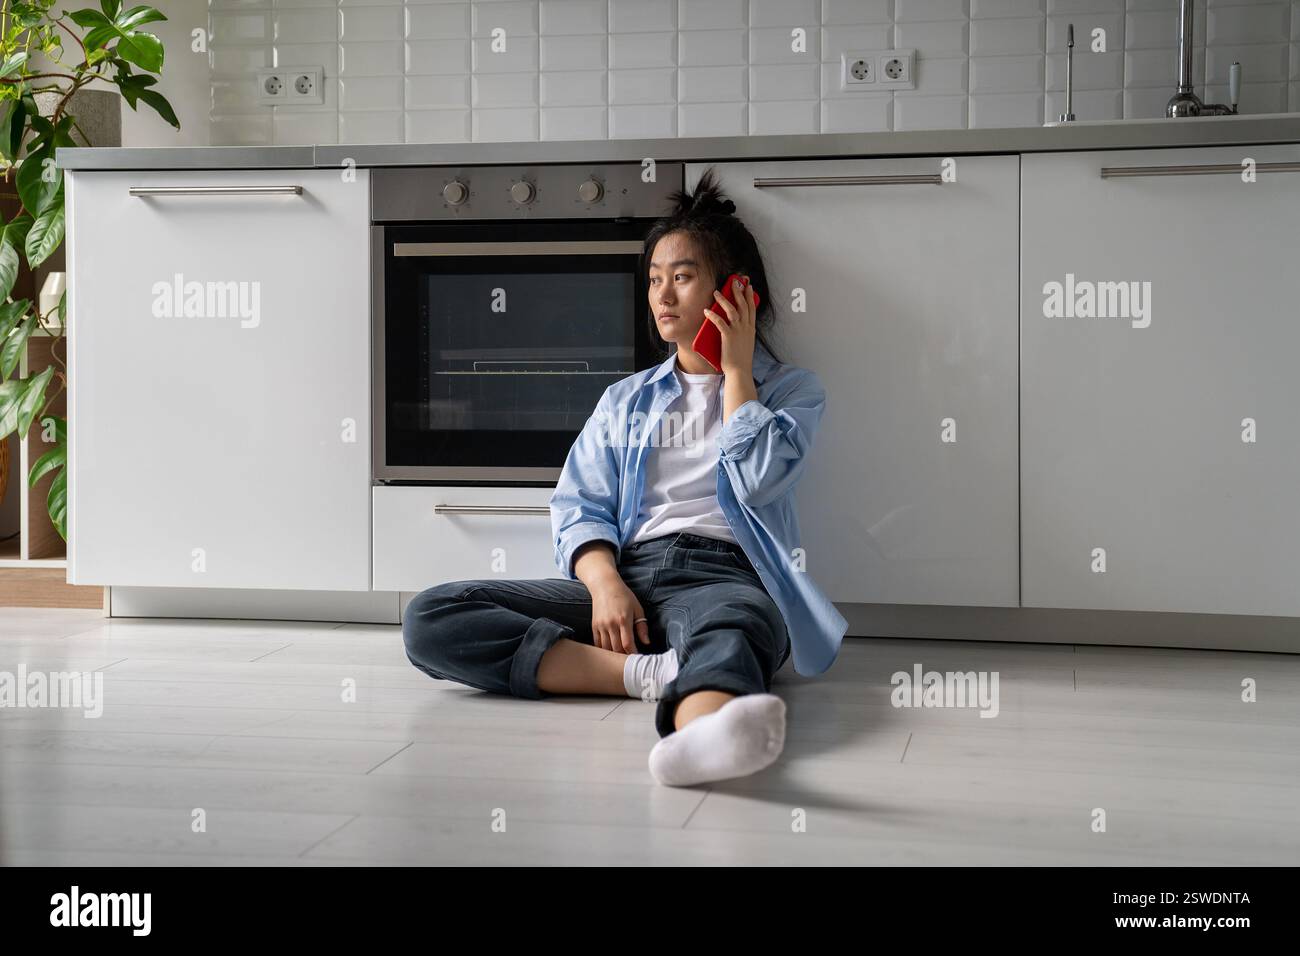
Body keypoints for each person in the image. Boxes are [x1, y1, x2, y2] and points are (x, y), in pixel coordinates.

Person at [402, 167, 847, 787]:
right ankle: (651, 676)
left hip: (726, 578)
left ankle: (703, 735)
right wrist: (607, 584)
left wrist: (738, 373)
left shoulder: (792, 392)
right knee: (435, 615)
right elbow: (579, 503)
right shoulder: (626, 400)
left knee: (737, 628)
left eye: (683, 278)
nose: (661, 296)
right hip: (627, 577)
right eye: (654, 280)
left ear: (736, 292)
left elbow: (757, 480)